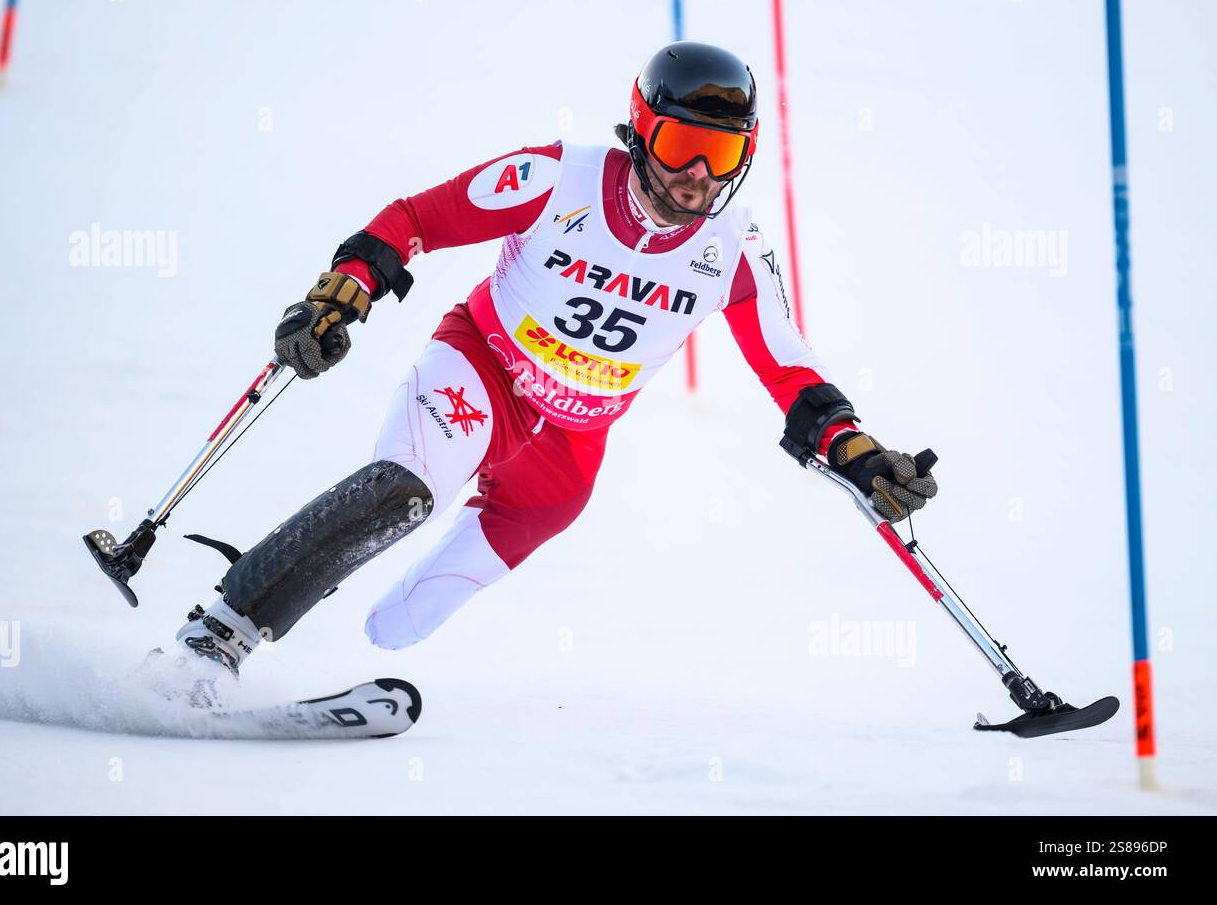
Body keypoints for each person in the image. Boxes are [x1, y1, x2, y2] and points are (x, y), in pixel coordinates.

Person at [172, 41, 938, 674]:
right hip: (483, 372)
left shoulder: (733, 248)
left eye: (721, 153)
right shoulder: (556, 177)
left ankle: (348, 686)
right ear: (639, 131)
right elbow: (417, 220)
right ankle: (217, 635)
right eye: (679, 147)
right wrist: (348, 288)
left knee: (404, 627)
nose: (696, 177)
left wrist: (858, 451)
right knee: (405, 493)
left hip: (567, 457)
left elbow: (790, 370)